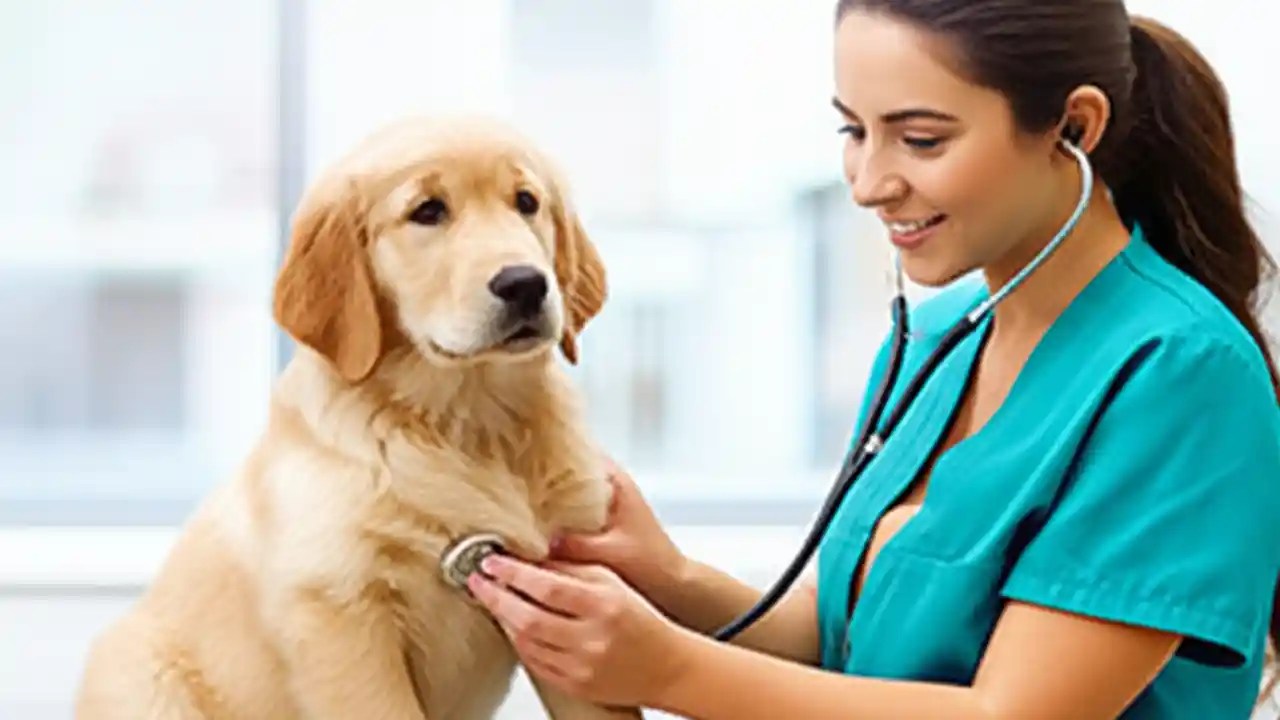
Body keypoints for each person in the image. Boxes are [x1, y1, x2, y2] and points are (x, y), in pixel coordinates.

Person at [468, 1, 1280, 717]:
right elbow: (845, 649)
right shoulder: (938, 338)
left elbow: (1017, 715)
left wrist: (670, 670)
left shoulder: (1182, 373)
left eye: (920, 139)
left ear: (1074, 127)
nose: (867, 182)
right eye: (854, 130)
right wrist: (670, 580)